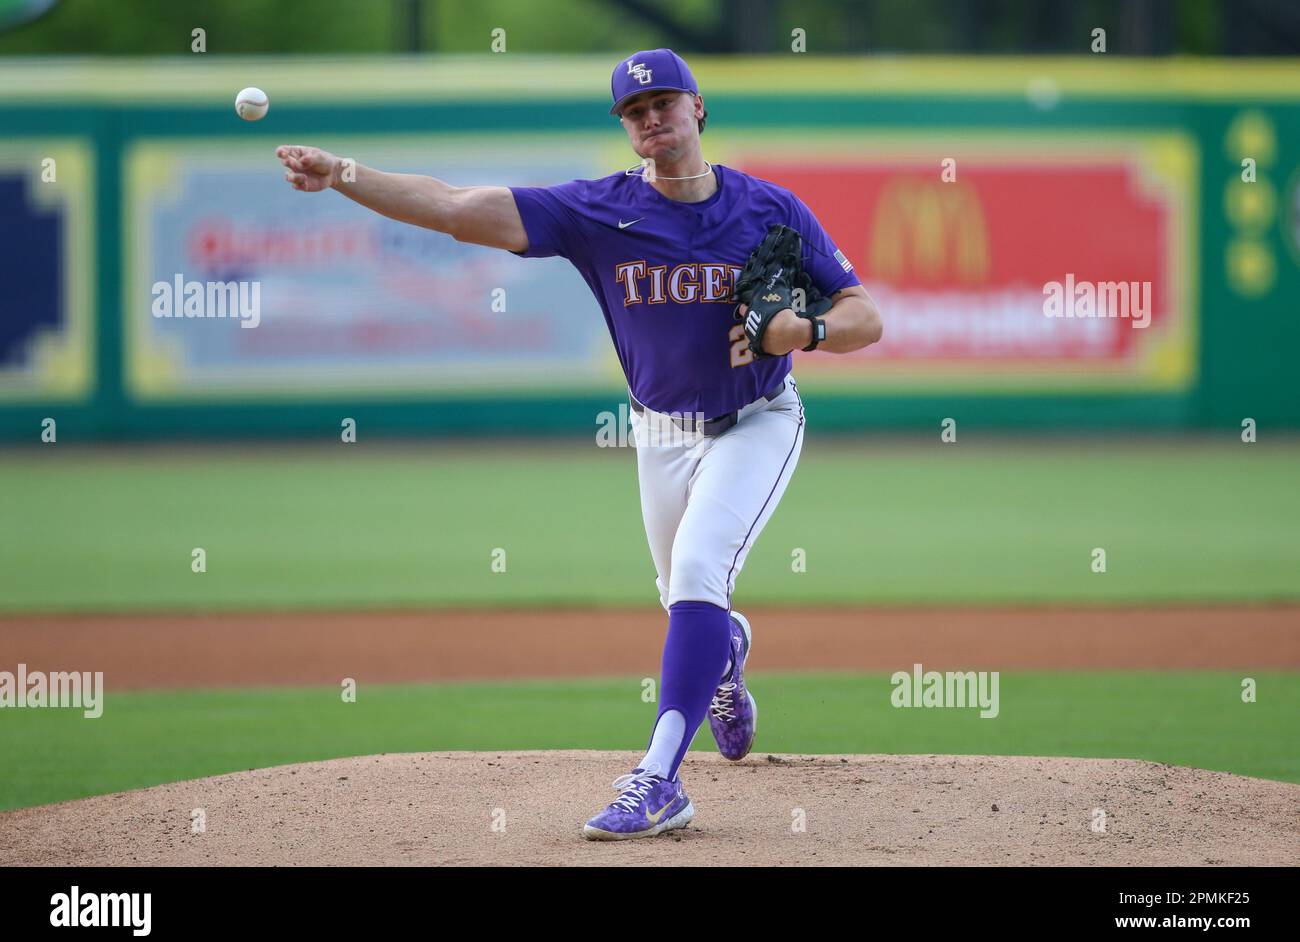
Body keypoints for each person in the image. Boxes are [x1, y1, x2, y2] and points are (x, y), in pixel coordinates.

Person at [276, 47, 883, 841]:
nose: (651, 117)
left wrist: (808, 329)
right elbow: (458, 207)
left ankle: (658, 780)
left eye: (664, 101)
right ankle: (725, 653)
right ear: (626, 130)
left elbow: (866, 315)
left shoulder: (768, 208)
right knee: (686, 604)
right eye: (634, 111)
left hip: (758, 421)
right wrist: (344, 173)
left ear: (698, 107)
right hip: (659, 433)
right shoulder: (599, 211)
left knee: (700, 569)